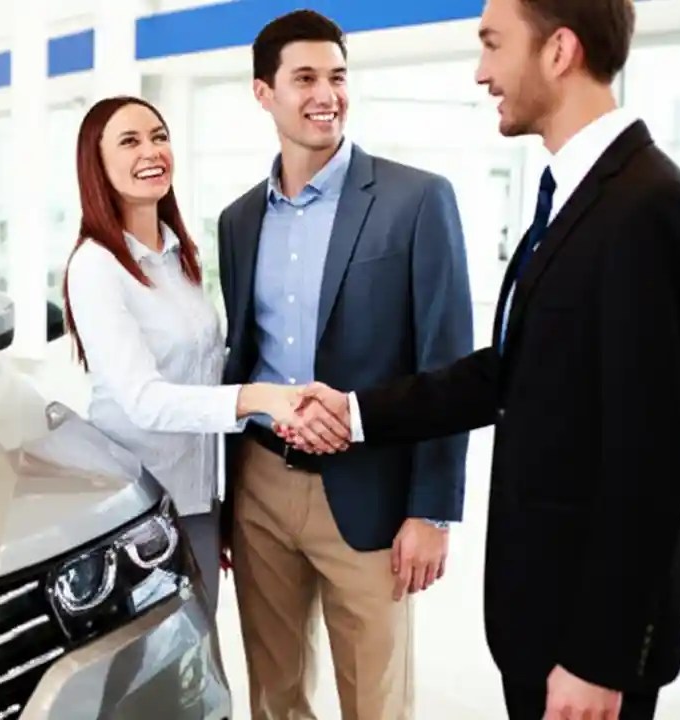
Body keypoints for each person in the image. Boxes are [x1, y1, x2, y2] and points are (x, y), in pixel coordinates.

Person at [281, 1, 680, 718]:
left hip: (585, 639)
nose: (482, 73)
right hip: (543, 612)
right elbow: (509, 372)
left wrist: (599, 659)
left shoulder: (646, 208)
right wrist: (354, 411)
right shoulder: (572, 195)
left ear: (559, 51)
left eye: (492, 45)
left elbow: (652, 460)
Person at [215, 10, 474, 720]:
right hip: (260, 486)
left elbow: (447, 363)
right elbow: (243, 357)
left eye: (337, 77)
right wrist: (224, 502)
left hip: (372, 488)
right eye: (304, 78)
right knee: (274, 694)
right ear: (264, 93)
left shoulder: (415, 199)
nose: (325, 94)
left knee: (376, 700)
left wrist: (431, 509)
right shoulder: (238, 221)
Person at [61, 95, 345, 617]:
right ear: (95, 164)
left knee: (196, 650)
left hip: (196, 503)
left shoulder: (178, 257)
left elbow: (204, 371)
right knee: (151, 658)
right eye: (129, 141)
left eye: (159, 136)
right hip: (136, 510)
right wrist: (259, 398)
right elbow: (145, 400)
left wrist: (219, 503)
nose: (151, 151)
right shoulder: (96, 267)